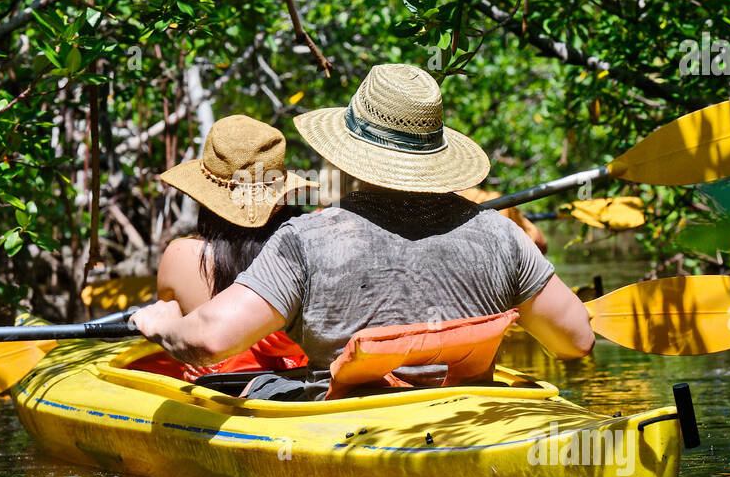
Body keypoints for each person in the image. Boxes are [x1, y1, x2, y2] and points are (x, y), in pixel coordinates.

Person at [132, 63, 594, 399]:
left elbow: (209, 341)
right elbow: (575, 341)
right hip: (466, 421)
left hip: (351, 426)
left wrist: (162, 324)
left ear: (347, 148)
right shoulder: (501, 234)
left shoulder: (305, 239)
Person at [153, 114, 315, 380]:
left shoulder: (181, 254)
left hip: (215, 392)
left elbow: (169, 325)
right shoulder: (303, 247)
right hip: (299, 385)